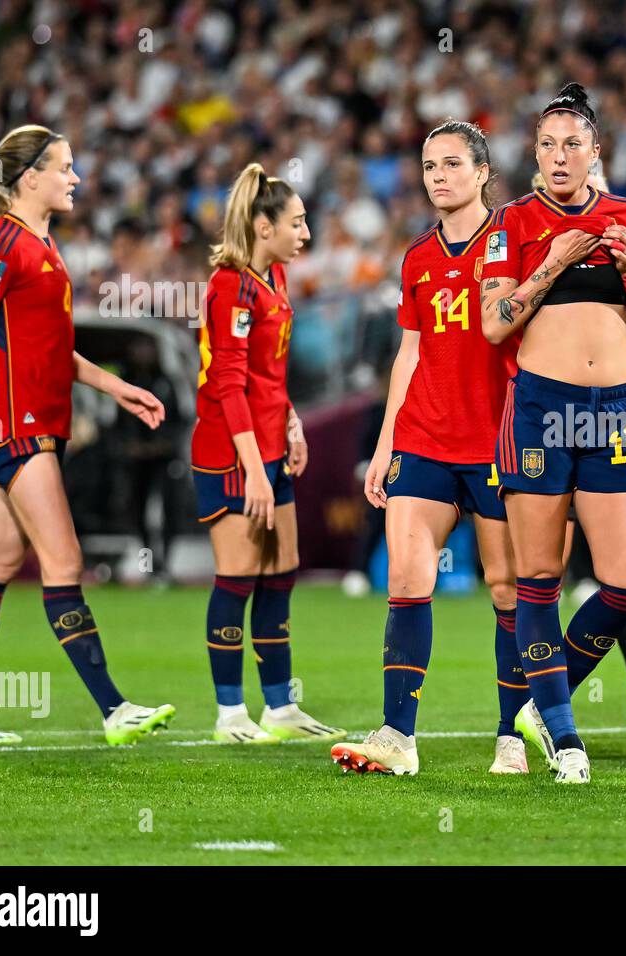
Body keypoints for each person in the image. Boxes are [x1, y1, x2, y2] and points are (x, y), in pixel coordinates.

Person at [0, 125, 175, 746]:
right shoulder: (1, 242)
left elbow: (56, 350)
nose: (75, 178)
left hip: (42, 424)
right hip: (12, 426)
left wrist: (115, 387)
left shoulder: (43, 244)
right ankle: (113, 708)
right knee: (65, 559)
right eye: (64, 167)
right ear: (30, 178)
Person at [478, 83, 626, 783]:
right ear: (535, 155)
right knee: (538, 578)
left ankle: (535, 701)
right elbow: (495, 322)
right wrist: (555, 259)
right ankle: (564, 736)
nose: (561, 157)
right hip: (540, 407)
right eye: (549, 145)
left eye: (574, 145)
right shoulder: (511, 223)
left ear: (597, 154)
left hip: (614, 408)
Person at [330, 120, 530, 777]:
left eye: (451, 164)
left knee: (508, 592)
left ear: (482, 173)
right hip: (425, 439)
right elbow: (408, 354)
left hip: (497, 443)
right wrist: (388, 440)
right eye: (428, 165)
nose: (437, 176)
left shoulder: (511, 244)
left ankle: (511, 735)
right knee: (408, 582)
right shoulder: (417, 258)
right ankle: (397, 737)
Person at [192, 162, 344, 745]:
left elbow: (268, 377)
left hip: (271, 447)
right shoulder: (228, 285)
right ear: (262, 225)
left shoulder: (274, 279)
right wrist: (254, 470)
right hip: (231, 455)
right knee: (237, 578)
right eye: (297, 223)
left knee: (280, 575)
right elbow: (229, 384)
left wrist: (294, 425)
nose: (306, 232)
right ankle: (230, 713)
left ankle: (279, 707)